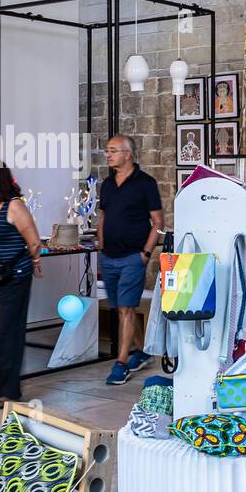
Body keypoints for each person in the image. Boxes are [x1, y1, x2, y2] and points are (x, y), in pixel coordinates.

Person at [99, 135, 165, 385]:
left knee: (126, 309)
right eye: (107, 151)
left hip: (133, 257)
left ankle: (121, 363)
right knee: (122, 308)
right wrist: (101, 246)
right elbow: (103, 217)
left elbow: (158, 223)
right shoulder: (106, 184)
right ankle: (143, 351)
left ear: (128, 154)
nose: (108, 155)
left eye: (113, 151)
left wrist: (146, 253)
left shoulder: (145, 184)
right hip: (109, 257)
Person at [0, 161, 43, 407]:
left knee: (6, 331)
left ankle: (10, 389)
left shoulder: (14, 206)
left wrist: (35, 262)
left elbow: (34, 240)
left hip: (14, 277)